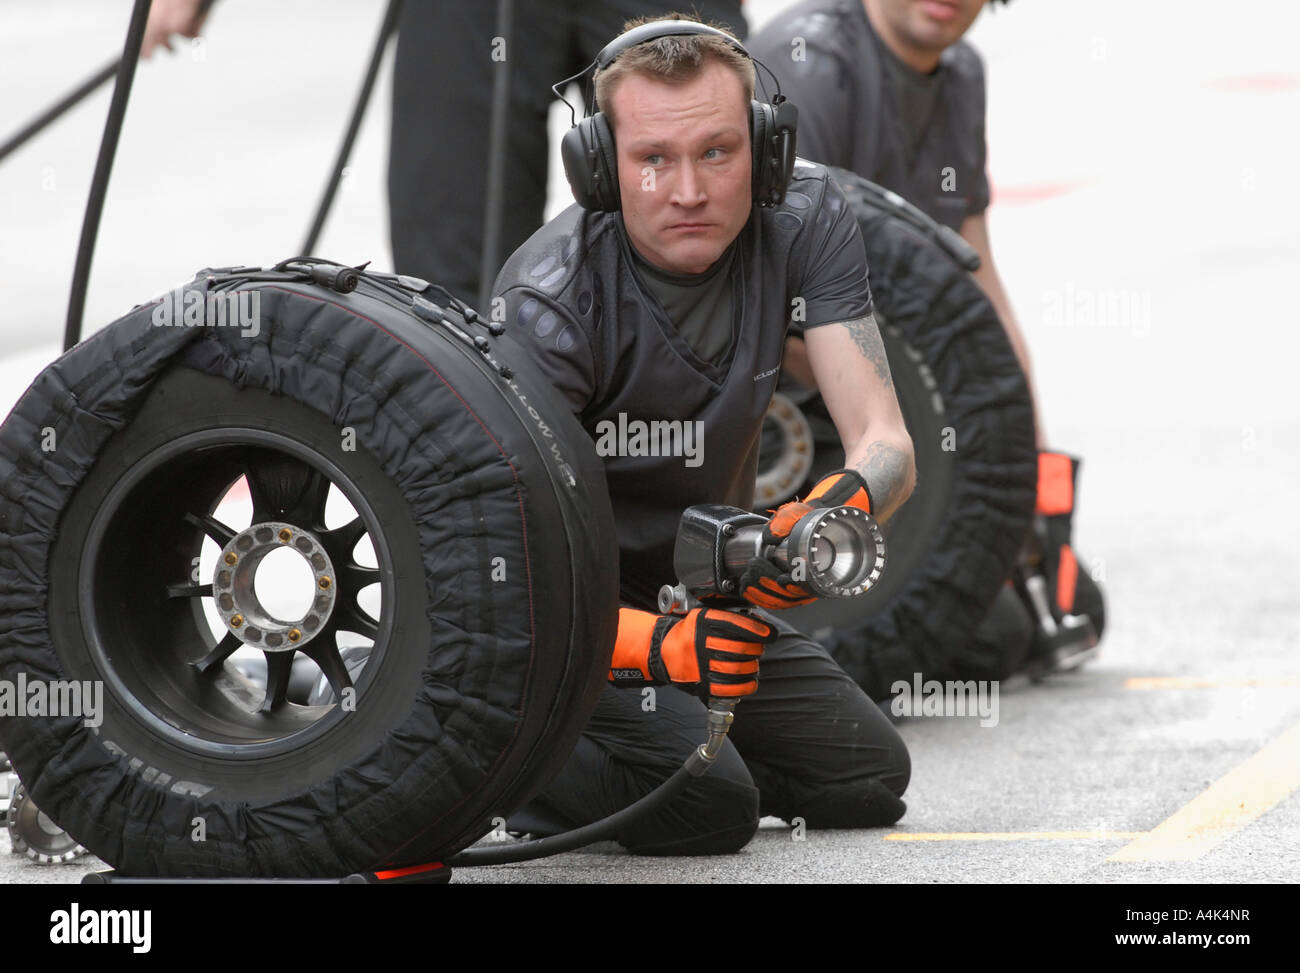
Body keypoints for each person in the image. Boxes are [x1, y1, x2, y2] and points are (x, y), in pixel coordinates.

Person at [493, 16, 916, 854]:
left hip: (703, 602)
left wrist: (830, 510)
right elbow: (505, 580)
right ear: (600, 167)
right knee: (709, 808)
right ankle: (494, 759)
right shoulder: (549, 306)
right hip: (565, 630)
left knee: (865, 776)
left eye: (718, 152)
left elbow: (886, 439)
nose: (689, 190)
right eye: (653, 159)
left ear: (765, 150)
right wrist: (658, 646)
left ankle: (681, 746)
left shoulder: (804, 218)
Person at [750, 0, 1104, 674]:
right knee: (985, 633)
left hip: (889, 410)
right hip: (779, 411)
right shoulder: (812, 65)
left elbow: (983, 297)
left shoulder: (961, 76)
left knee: (1060, 606)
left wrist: (1035, 488)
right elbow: (749, 292)